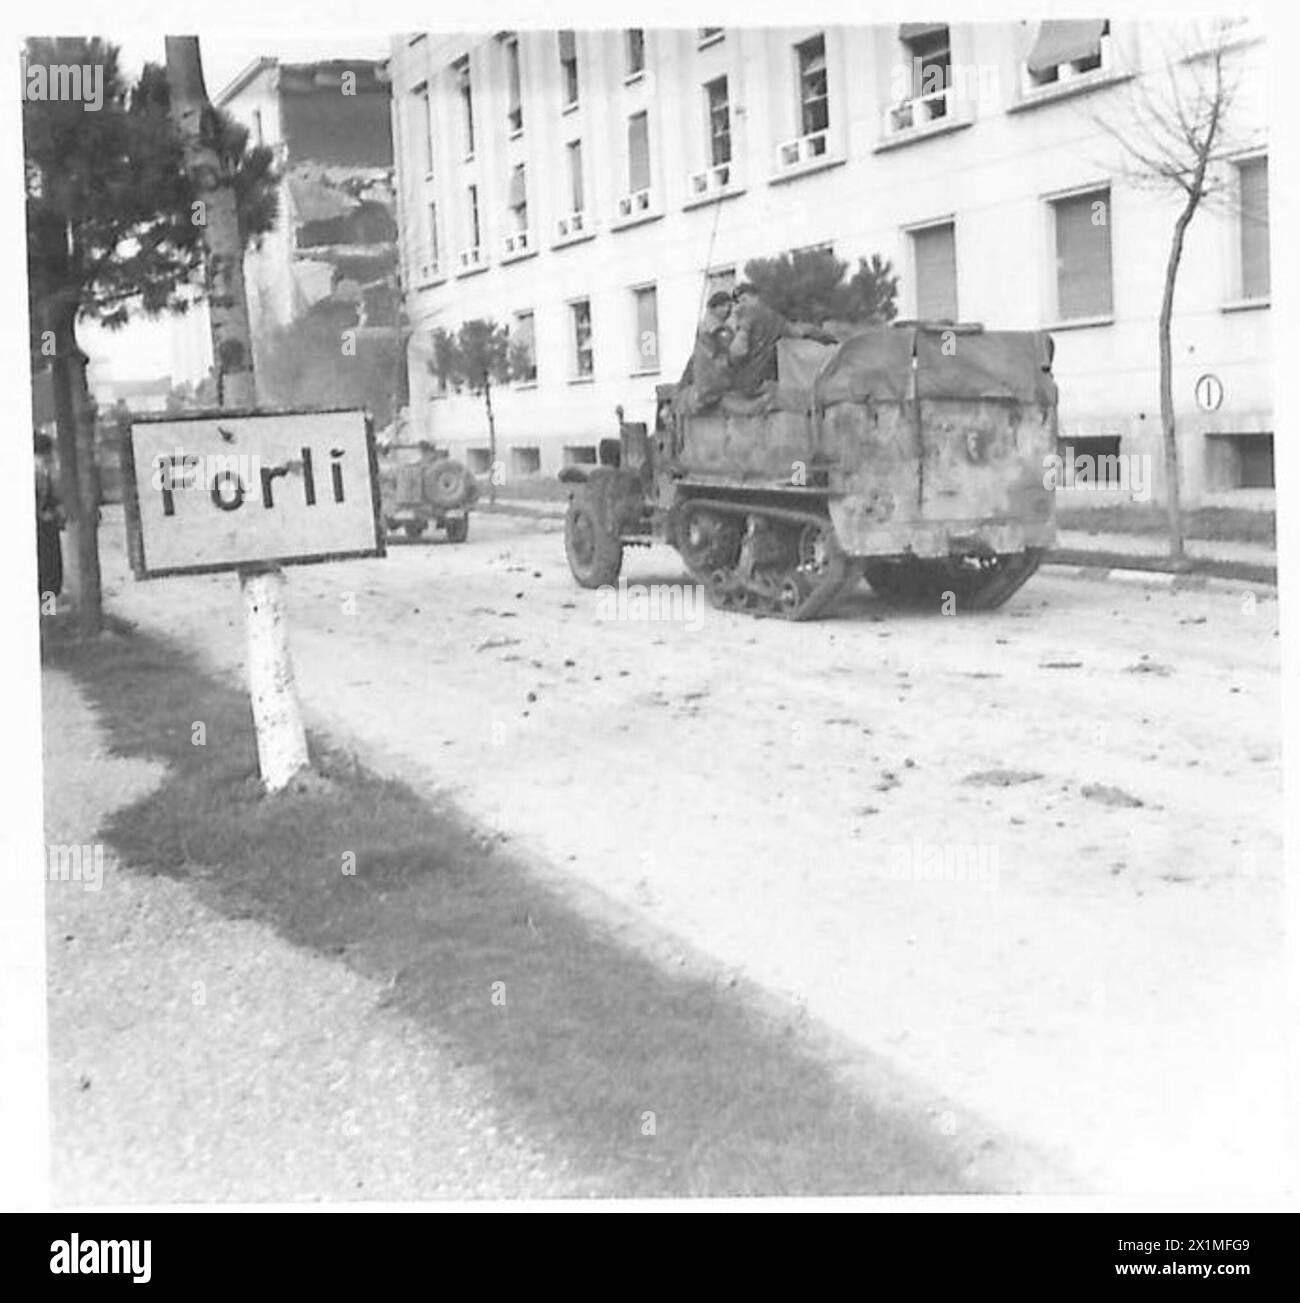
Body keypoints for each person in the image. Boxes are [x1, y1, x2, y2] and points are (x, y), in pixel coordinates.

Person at [726, 283, 837, 398]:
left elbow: (738, 351)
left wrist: (730, 361)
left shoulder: (747, 315)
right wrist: (829, 338)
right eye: (739, 302)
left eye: (744, 300)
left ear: (755, 297)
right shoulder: (774, 317)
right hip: (769, 381)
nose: (741, 305)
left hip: (747, 384)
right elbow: (800, 331)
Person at [679, 290, 737, 413]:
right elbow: (717, 357)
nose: (727, 310)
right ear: (713, 308)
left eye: (729, 306)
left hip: (710, 379)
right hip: (713, 381)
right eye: (723, 306)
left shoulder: (719, 327)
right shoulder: (713, 329)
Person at [35, 432, 63, 605]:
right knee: (49, 577)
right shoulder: (41, 471)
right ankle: (48, 613)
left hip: (45, 524)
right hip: (44, 528)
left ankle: (47, 614)